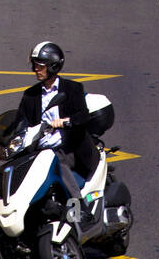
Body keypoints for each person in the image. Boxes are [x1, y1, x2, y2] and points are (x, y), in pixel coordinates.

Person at [14, 41, 99, 209]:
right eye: (34, 65)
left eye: (40, 65)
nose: (35, 69)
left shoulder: (72, 89)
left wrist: (66, 122)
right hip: (38, 150)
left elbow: (83, 116)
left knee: (53, 159)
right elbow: (19, 121)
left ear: (53, 66)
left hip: (68, 150)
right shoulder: (30, 95)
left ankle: (79, 206)